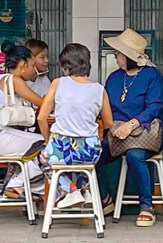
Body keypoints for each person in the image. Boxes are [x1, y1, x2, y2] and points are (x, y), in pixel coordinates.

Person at [96, 28, 163, 227]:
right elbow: (105, 107)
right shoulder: (114, 78)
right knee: (93, 153)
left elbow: (154, 107)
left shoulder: (152, 76)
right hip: (117, 134)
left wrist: (131, 125)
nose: (115, 56)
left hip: (145, 133)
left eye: (118, 53)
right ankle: (105, 199)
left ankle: (146, 206)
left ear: (129, 56)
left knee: (135, 155)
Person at [36, 43, 114, 210]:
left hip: (61, 148)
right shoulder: (99, 89)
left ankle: (69, 190)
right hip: (90, 151)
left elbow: (42, 117)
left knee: (43, 158)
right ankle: (85, 190)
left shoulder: (58, 83)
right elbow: (109, 123)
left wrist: (47, 139)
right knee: (81, 164)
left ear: (66, 66)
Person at [0, 43, 46, 199]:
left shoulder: (4, 79)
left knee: (45, 146)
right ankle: (16, 183)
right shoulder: (14, 80)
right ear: (24, 65)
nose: (33, 69)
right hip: (2, 138)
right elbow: (42, 103)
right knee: (49, 146)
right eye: (32, 65)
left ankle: (31, 188)